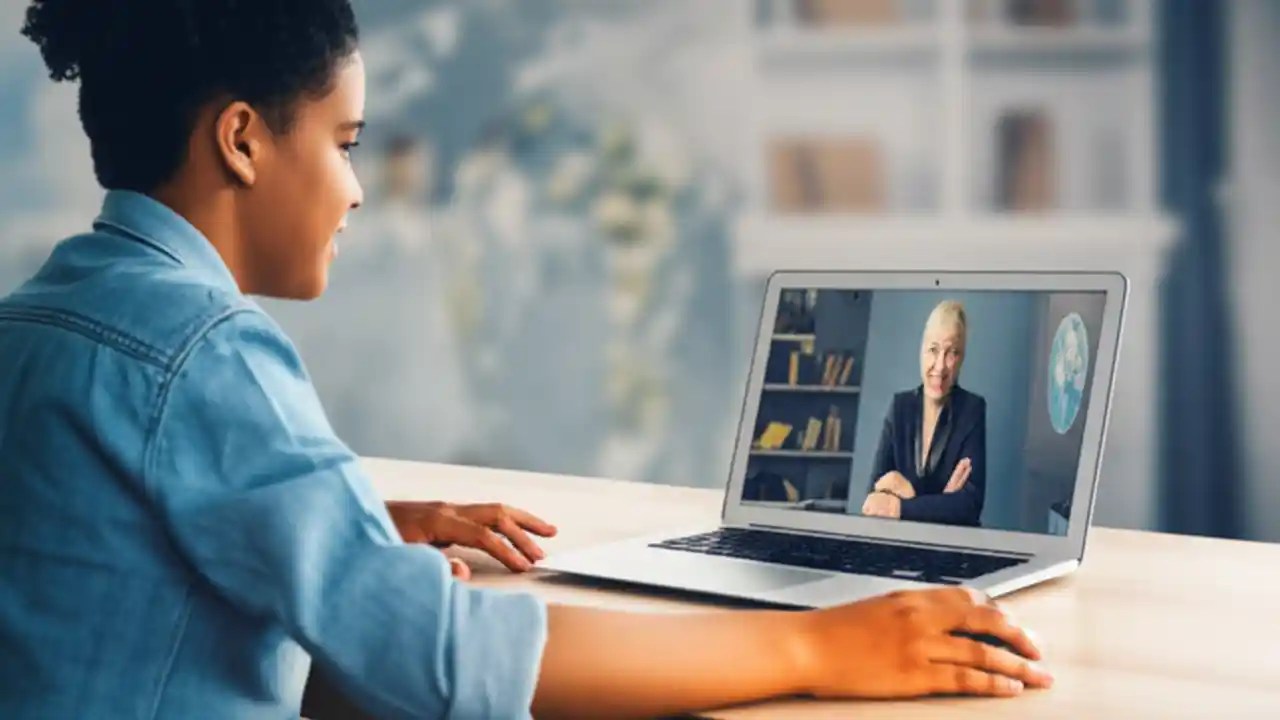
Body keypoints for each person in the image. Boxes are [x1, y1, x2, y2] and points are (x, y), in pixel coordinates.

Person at [0, 2, 1049, 718]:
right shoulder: (208, 352)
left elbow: (108, 544)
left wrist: (360, 527)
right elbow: (444, 658)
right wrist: (818, 649)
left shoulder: (35, 322)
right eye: (346, 142)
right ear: (241, 140)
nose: (357, 190)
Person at [862, 300, 988, 526]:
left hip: (950, 549)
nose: (940, 366)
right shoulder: (899, 407)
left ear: (961, 359)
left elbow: (969, 506)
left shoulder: (972, 410)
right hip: (900, 546)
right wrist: (942, 503)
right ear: (921, 351)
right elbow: (872, 500)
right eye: (933, 350)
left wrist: (905, 500)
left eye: (952, 353)